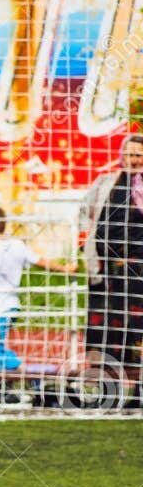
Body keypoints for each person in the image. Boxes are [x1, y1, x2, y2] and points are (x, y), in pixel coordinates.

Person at [0, 205, 78, 373]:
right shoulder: (17, 245)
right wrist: (64, 268)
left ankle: (29, 370)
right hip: (12, 304)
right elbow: (40, 261)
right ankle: (1, 385)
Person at [81, 132, 143, 370]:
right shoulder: (105, 182)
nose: (133, 159)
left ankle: (137, 385)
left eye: (138, 155)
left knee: (136, 325)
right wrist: (84, 245)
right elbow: (84, 213)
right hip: (104, 267)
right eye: (128, 154)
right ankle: (102, 384)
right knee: (104, 324)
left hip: (137, 269)